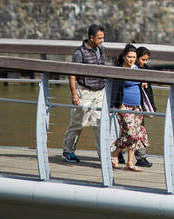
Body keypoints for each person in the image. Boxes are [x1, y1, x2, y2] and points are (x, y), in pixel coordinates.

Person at [62, 23, 109, 164]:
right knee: (78, 124)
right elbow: (72, 74)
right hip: (84, 91)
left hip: (100, 91)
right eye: (99, 38)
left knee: (100, 125)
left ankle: (103, 155)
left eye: (103, 37)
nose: (102, 40)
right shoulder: (79, 52)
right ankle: (68, 151)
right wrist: (74, 94)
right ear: (91, 37)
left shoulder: (102, 49)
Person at [109, 44, 148, 171]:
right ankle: (114, 153)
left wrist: (144, 81)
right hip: (123, 106)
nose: (132, 60)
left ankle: (129, 163)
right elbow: (114, 88)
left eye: (134, 57)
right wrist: (113, 105)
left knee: (136, 134)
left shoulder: (138, 69)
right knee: (132, 134)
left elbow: (149, 71)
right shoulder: (119, 70)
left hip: (137, 107)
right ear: (124, 56)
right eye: (129, 57)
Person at [128, 46, 153, 168]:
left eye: (146, 60)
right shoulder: (130, 68)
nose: (145, 62)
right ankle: (119, 154)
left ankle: (139, 156)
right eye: (143, 59)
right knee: (131, 131)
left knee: (137, 130)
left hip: (139, 105)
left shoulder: (145, 69)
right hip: (130, 104)